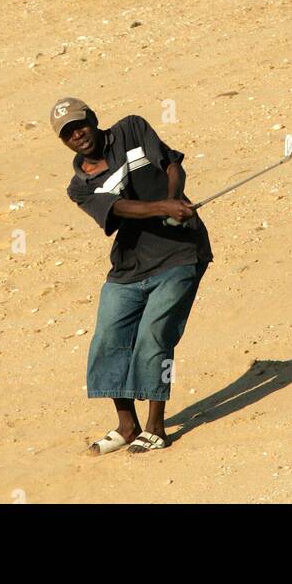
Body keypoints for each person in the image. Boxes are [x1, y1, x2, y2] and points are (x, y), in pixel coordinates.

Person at [52, 95, 213, 455]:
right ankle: (128, 425)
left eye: (80, 124)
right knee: (108, 339)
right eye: (68, 133)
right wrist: (162, 208)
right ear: (63, 141)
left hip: (181, 253)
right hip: (129, 266)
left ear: (94, 118)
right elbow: (119, 208)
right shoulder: (79, 187)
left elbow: (172, 165)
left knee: (156, 336)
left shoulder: (132, 129)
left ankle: (156, 426)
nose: (77, 134)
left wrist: (175, 202)